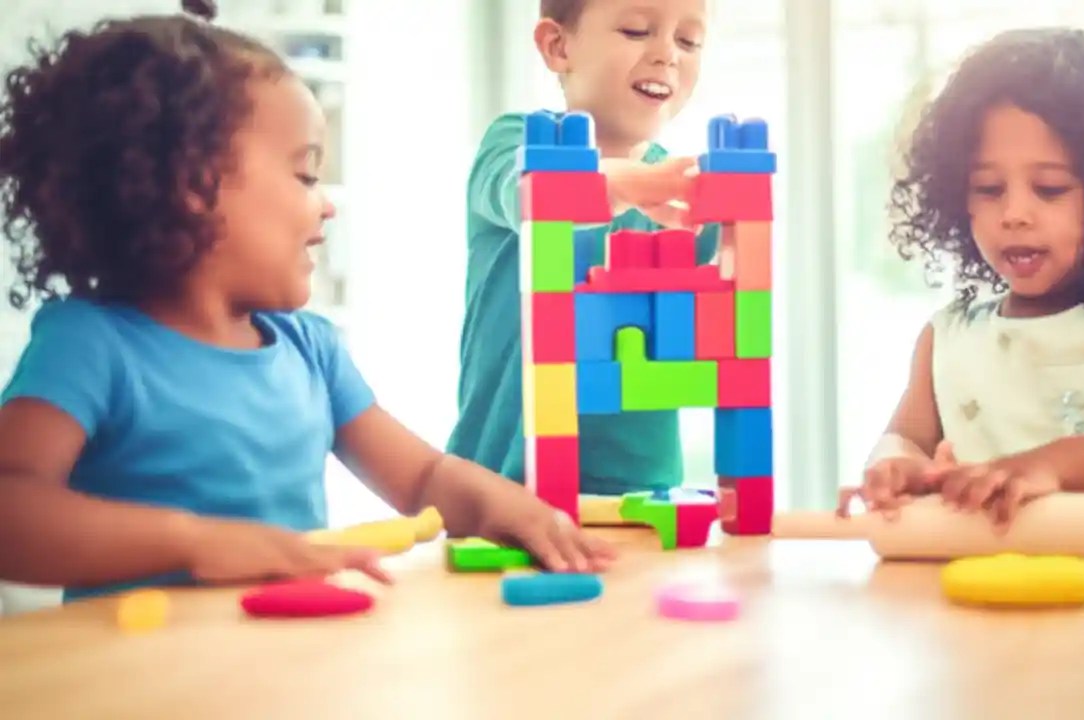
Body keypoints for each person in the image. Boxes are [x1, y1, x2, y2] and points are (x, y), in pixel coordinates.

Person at [0, 0, 613, 603]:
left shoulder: (308, 349)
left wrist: (509, 508)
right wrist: (196, 543)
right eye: (305, 175)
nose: (326, 204)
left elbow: (423, 476)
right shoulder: (90, 344)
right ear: (195, 184)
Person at [840, 28, 1084, 531]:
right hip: (975, 589)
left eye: (1050, 189)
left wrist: (1047, 464)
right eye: (988, 189)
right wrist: (893, 467)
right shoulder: (947, 337)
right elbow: (906, 441)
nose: (1014, 214)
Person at [447, 0, 718, 496]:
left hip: (640, 494)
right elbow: (538, 196)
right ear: (558, 45)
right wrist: (629, 185)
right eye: (637, 30)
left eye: (688, 41)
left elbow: (708, 327)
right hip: (499, 490)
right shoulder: (518, 145)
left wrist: (723, 211)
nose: (666, 55)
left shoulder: (677, 186)